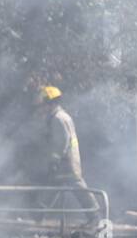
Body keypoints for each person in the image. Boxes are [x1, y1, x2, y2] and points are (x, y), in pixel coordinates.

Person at [35, 85, 98, 225]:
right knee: (54, 186)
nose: (42, 109)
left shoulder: (58, 119)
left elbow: (61, 141)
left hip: (65, 162)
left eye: (43, 105)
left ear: (50, 103)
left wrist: (54, 159)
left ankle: (95, 216)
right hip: (68, 160)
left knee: (78, 188)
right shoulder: (62, 116)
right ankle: (39, 215)